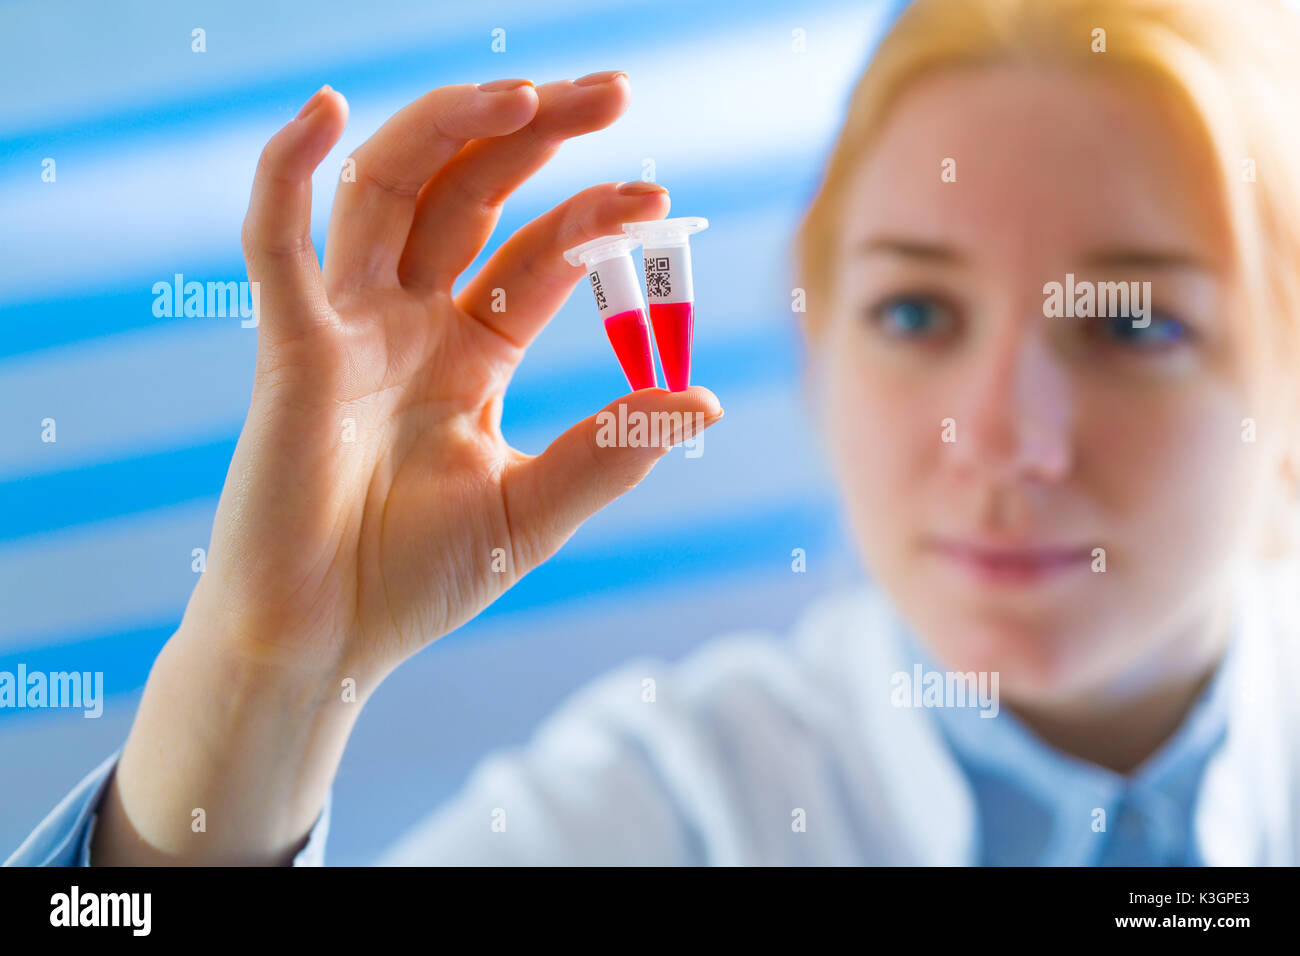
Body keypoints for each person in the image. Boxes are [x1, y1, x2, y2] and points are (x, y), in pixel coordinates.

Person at [8, 0, 1300, 867]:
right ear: (817, 338)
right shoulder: (655, 815)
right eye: (915, 309)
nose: (1006, 439)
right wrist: (263, 682)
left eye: (1132, 328)